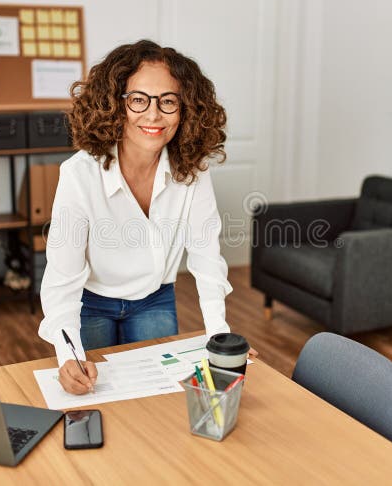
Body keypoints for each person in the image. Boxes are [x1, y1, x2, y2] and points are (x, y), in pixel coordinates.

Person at [39, 39, 253, 395]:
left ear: (186, 110)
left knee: (157, 401)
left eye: (168, 101)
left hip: (154, 299)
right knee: (95, 395)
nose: (153, 115)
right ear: (115, 105)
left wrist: (219, 339)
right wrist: (67, 354)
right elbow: (62, 278)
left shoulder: (193, 173)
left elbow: (206, 258)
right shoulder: (79, 175)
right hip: (90, 302)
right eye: (138, 100)